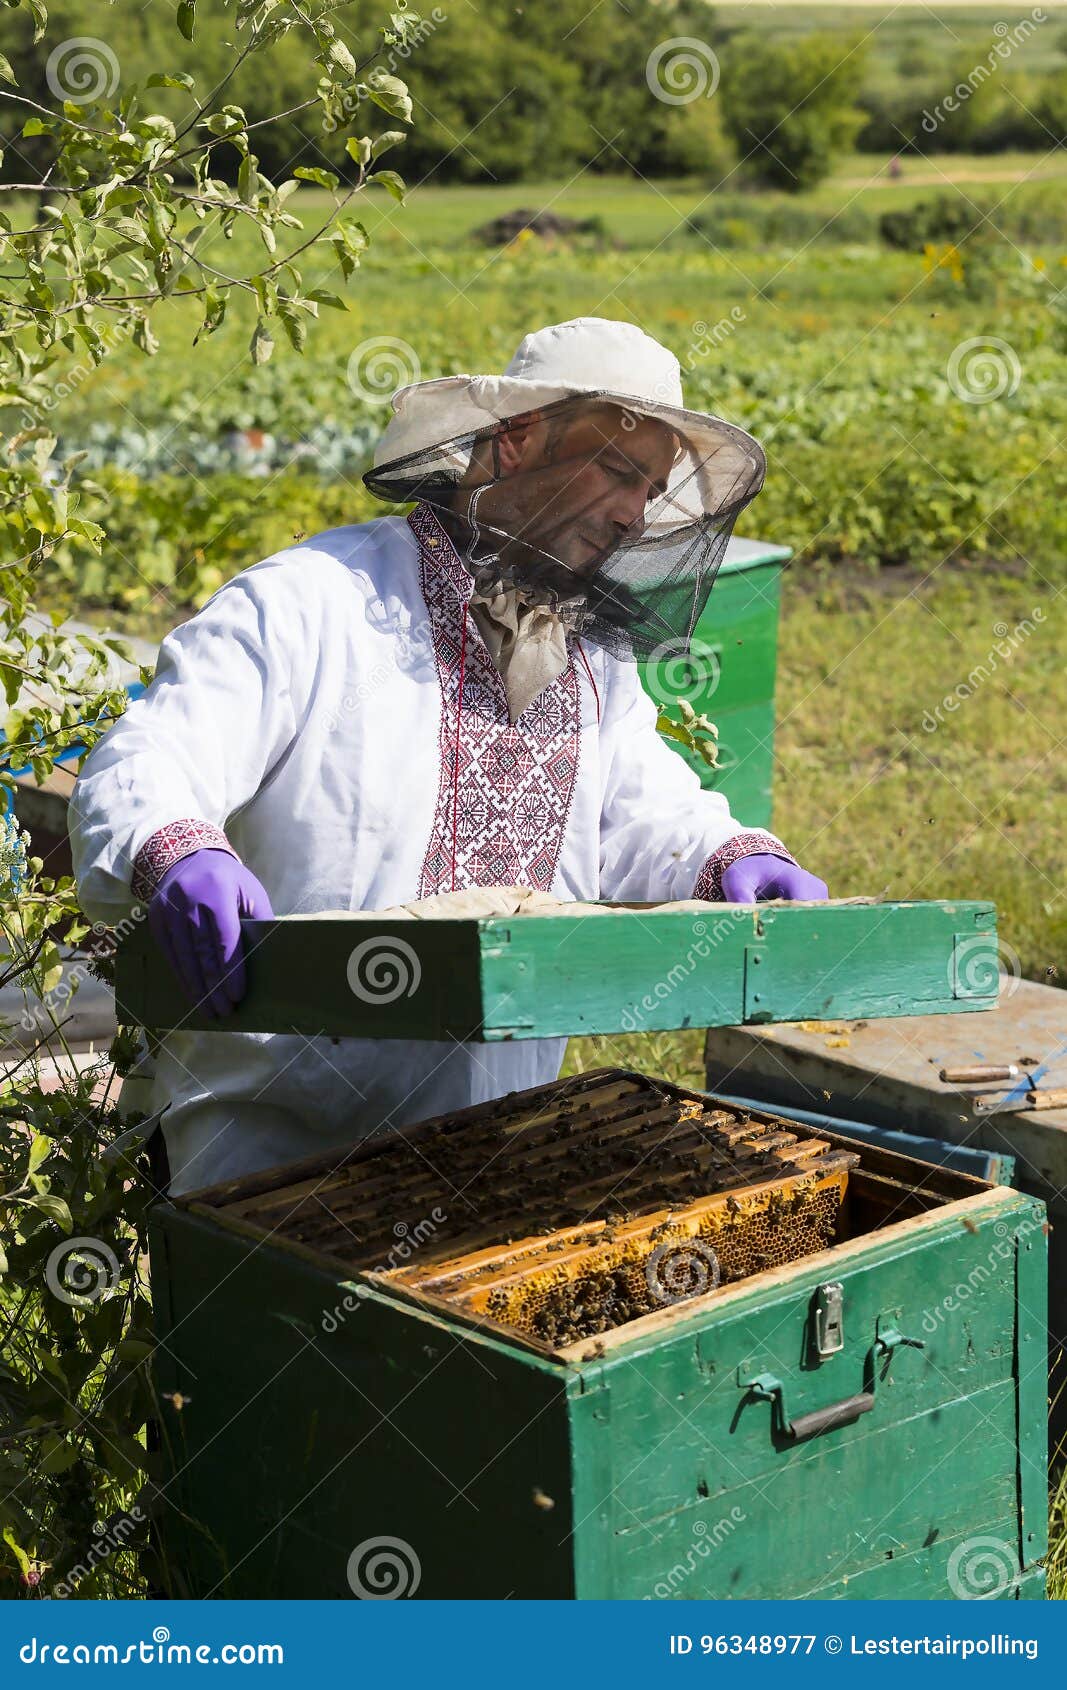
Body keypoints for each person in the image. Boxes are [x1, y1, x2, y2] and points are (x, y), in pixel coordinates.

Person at [68, 316, 827, 1195]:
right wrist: (177, 846)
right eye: (618, 469)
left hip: (491, 1155)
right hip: (268, 1154)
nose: (632, 513)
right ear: (512, 441)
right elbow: (155, 750)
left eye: (650, 489)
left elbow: (641, 808)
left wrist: (728, 855)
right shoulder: (315, 600)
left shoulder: (588, 660)